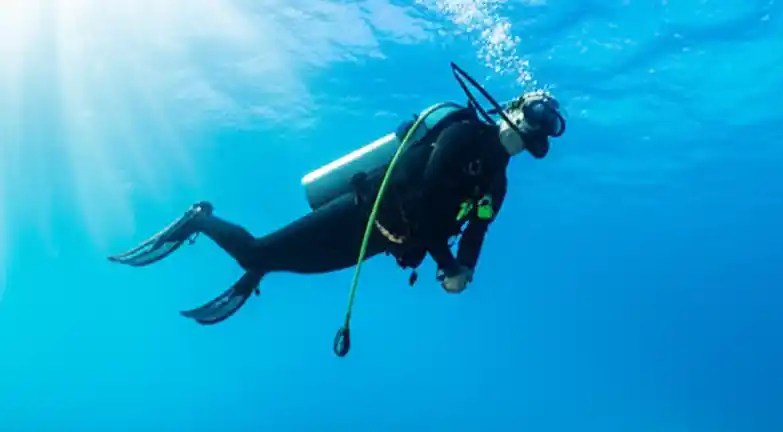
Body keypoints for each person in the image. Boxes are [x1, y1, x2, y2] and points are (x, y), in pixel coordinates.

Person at [109, 72, 566, 326]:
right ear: (515, 107)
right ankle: (199, 219)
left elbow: (478, 228)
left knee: (281, 260)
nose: (535, 125)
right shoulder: (463, 136)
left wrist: (464, 268)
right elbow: (427, 205)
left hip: (378, 242)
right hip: (361, 214)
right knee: (255, 250)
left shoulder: (496, 184)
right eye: (535, 112)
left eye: (545, 123)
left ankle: (258, 269)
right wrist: (447, 266)